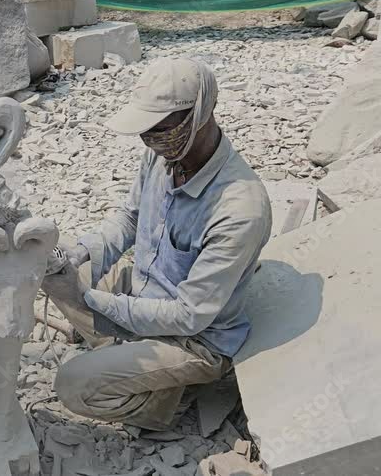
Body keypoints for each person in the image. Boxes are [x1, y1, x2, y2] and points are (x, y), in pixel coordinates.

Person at [44, 57, 272, 431]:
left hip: (193, 339)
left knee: (72, 385)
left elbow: (189, 315)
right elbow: (129, 219)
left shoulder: (239, 207)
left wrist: (88, 299)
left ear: (199, 114)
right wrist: (80, 254)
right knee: (49, 260)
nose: (150, 139)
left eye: (160, 129)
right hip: (145, 290)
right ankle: (119, 351)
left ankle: (165, 403)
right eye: (146, 131)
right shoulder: (163, 154)